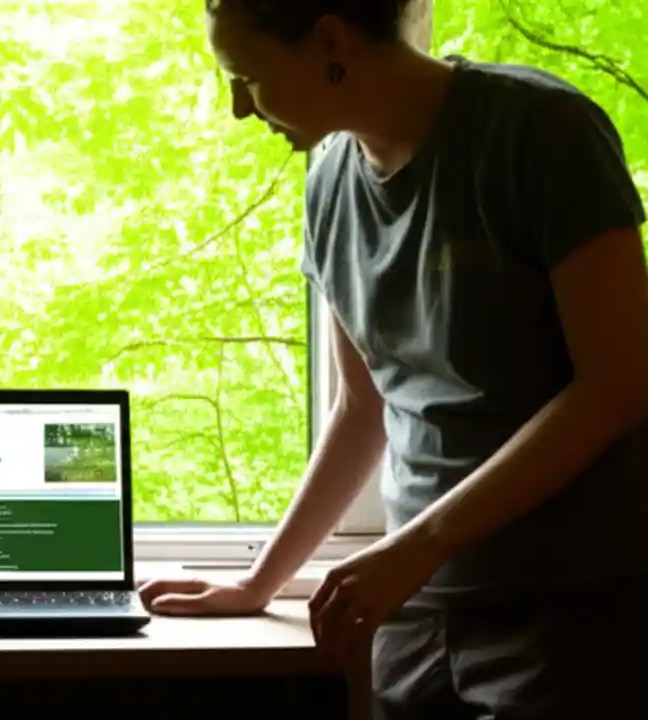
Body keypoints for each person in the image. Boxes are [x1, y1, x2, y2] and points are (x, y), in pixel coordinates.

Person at [138, 0, 648, 717]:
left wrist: (415, 547)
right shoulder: (329, 185)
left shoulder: (537, 130)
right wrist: (260, 582)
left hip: (571, 611)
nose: (237, 110)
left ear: (330, 40)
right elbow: (360, 409)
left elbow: (619, 384)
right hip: (412, 615)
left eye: (247, 78)